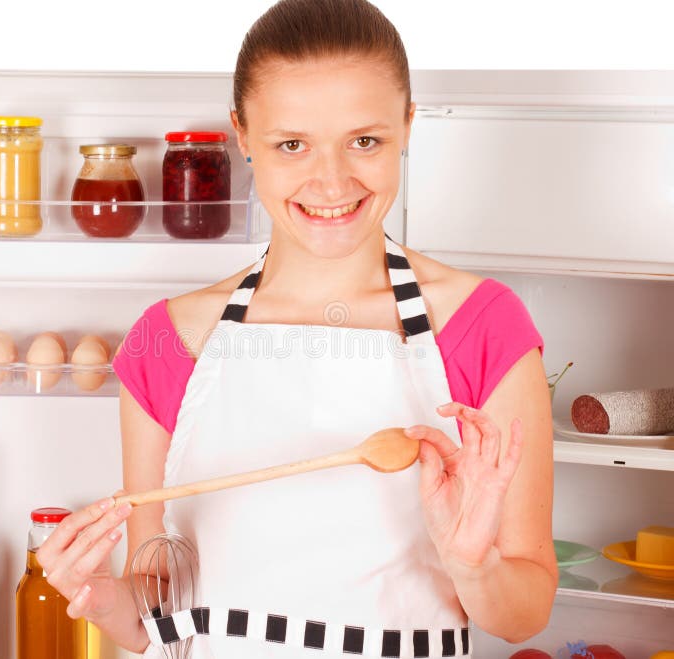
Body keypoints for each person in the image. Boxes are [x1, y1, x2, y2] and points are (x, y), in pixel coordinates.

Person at [37, 0, 557, 656]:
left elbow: (526, 610)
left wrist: (472, 564)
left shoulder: (483, 325)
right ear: (242, 135)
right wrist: (106, 599)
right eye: (291, 144)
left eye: (364, 140)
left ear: (407, 125)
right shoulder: (166, 340)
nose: (333, 181)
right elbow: (158, 602)